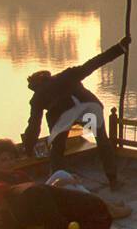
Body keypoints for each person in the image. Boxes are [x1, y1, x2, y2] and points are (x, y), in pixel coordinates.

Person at [21, 36, 130, 190]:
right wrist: (120, 48)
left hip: (65, 115)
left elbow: (34, 126)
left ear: (35, 85)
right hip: (89, 108)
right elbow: (94, 63)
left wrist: (28, 146)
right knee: (102, 140)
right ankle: (113, 179)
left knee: (57, 149)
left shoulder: (37, 96)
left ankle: (57, 186)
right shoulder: (68, 74)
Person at [0, 137, 130, 217]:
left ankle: (106, 205)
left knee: (61, 174)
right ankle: (106, 208)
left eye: (11, 158)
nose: (9, 163)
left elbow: (35, 188)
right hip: (33, 210)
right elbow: (32, 195)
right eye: (3, 160)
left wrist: (60, 181)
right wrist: (59, 184)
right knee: (66, 182)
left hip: (37, 197)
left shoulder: (16, 175)